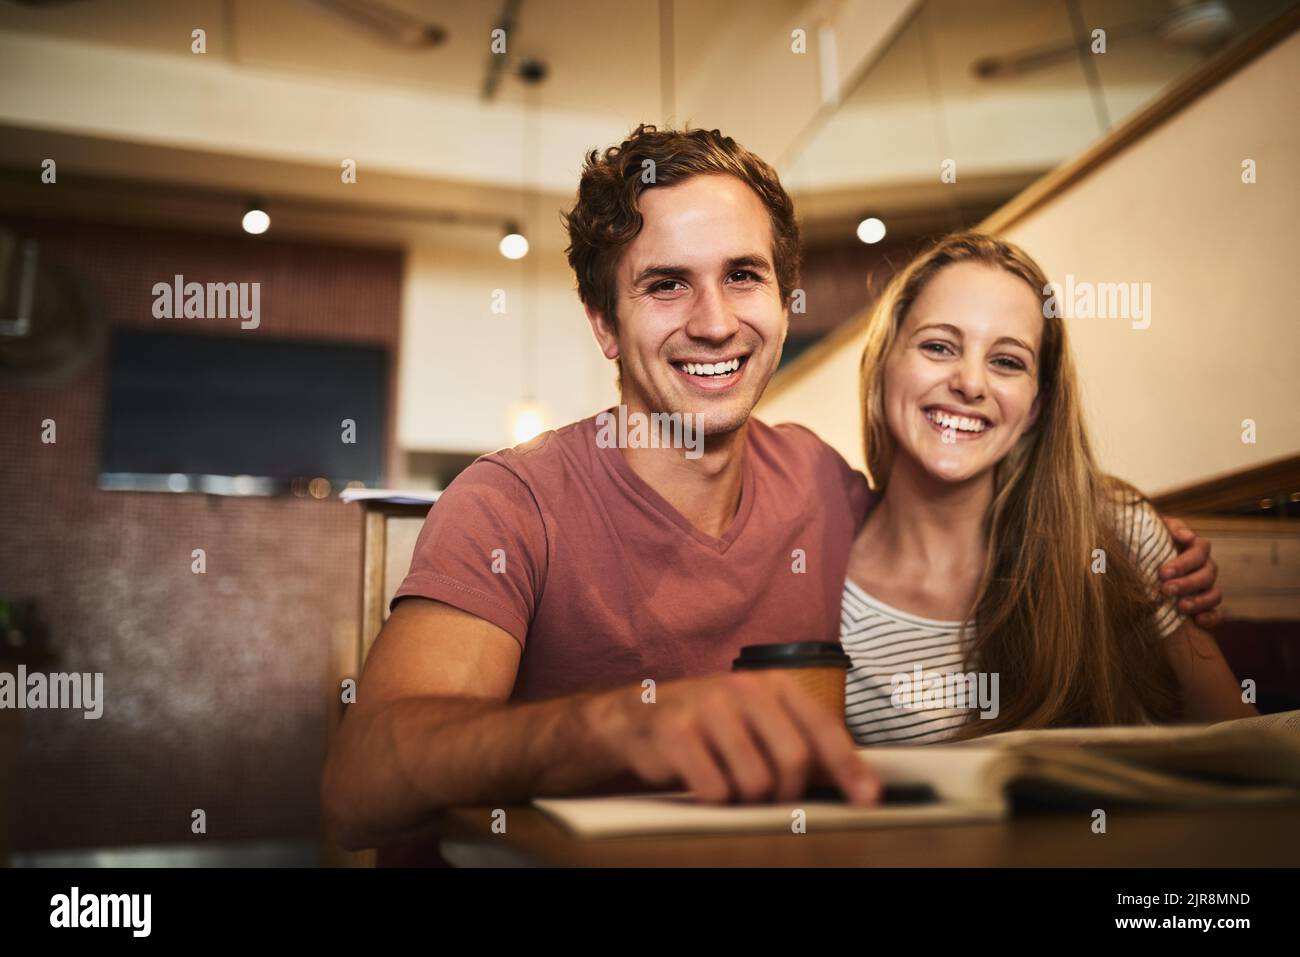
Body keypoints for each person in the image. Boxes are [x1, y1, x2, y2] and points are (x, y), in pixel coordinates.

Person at [321, 127, 1221, 852]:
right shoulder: (510, 501)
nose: (714, 322)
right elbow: (357, 787)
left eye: (743, 276)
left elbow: (963, 526)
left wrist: (1133, 542)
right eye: (666, 284)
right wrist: (616, 727)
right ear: (605, 323)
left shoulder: (825, 483)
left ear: (785, 300)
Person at [840, 231, 1254, 745]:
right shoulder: (825, 598)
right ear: (883, 365)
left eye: (1007, 361)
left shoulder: (1119, 533)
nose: (971, 383)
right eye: (939, 346)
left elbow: (1245, 745)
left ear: (1036, 404)